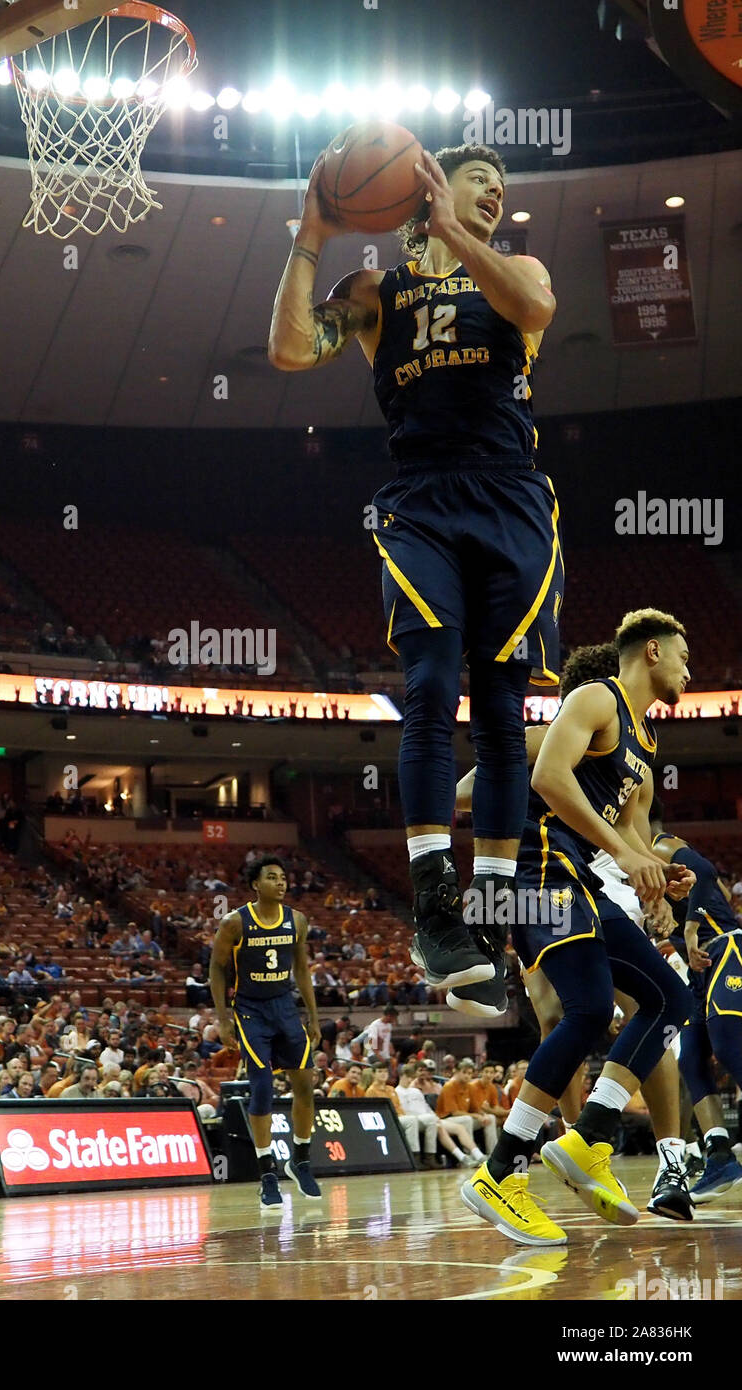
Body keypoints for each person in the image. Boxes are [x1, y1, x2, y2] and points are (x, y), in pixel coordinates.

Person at [268, 140, 558, 1014]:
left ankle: (497, 916)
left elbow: (535, 302)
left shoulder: (516, 269)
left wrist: (454, 235)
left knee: (504, 709)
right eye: (480, 179)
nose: (497, 193)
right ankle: (436, 910)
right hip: (421, 501)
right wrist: (313, 234)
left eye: (501, 188)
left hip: (512, 499)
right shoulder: (373, 295)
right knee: (432, 686)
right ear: (428, 184)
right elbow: (287, 350)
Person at [461, 609, 694, 1247]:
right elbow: (540, 778)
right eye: (682, 658)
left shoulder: (643, 750)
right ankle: (502, 1172)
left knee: (669, 999)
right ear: (652, 652)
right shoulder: (596, 699)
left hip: (580, 878)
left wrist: (660, 873)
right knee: (581, 1010)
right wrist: (622, 852)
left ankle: (589, 1134)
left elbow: (636, 840)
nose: (688, 670)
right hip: (536, 872)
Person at [210, 855, 321, 1210]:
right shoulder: (234, 922)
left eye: (283, 877)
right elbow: (216, 968)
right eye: (272, 877)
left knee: (305, 1082)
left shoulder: (297, 921)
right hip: (250, 1011)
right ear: (256, 884)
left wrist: (313, 1016)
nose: (281, 882)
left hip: (285, 1008)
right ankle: (267, 1174)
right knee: (262, 1088)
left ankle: (300, 1159)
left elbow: (302, 969)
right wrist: (223, 1019)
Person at [651, 804, 742, 1205]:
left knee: (726, 1046)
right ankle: (720, 1155)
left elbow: (704, 873)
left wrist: (688, 926)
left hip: (725, 948)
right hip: (698, 966)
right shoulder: (639, 857)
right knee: (690, 1059)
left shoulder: (662, 844)